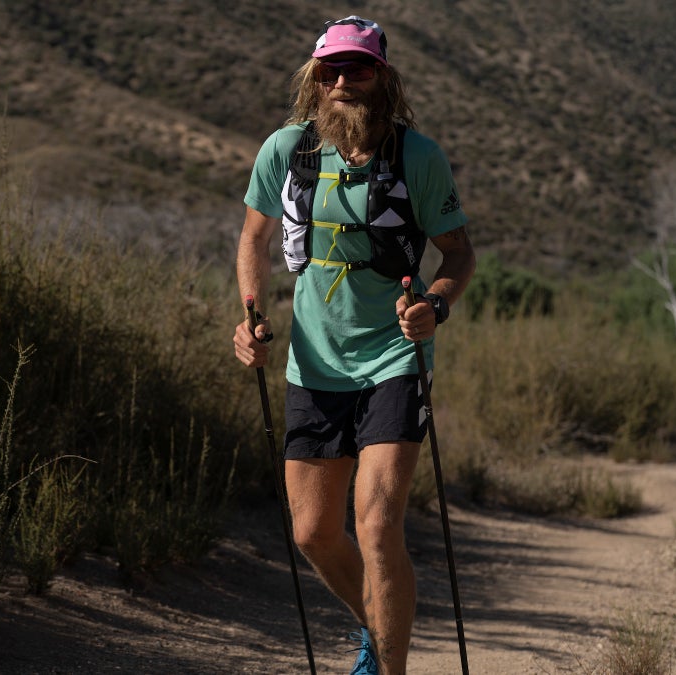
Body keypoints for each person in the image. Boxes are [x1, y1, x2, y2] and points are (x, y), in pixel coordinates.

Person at [231, 16, 476, 675]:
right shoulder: (286, 150)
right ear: (313, 80)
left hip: (396, 359)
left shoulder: (417, 157)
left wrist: (436, 304)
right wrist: (250, 317)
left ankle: (387, 667)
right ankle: (379, 623)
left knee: (375, 523)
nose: (343, 80)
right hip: (313, 363)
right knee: (311, 531)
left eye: (358, 69)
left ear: (383, 78)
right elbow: (253, 241)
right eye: (329, 70)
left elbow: (458, 253)